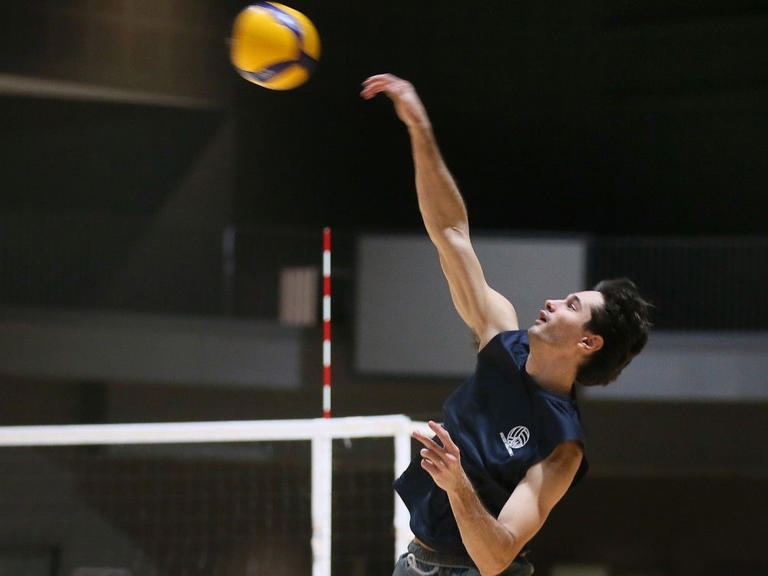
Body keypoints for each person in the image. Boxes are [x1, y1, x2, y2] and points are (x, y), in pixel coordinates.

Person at [360, 74, 652, 576]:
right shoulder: (501, 337)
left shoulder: (561, 446)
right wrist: (418, 125)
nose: (552, 301)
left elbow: (497, 556)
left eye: (571, 305)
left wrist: (458, 486)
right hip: (414, 563)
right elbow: (450, 232)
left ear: (588, 340)